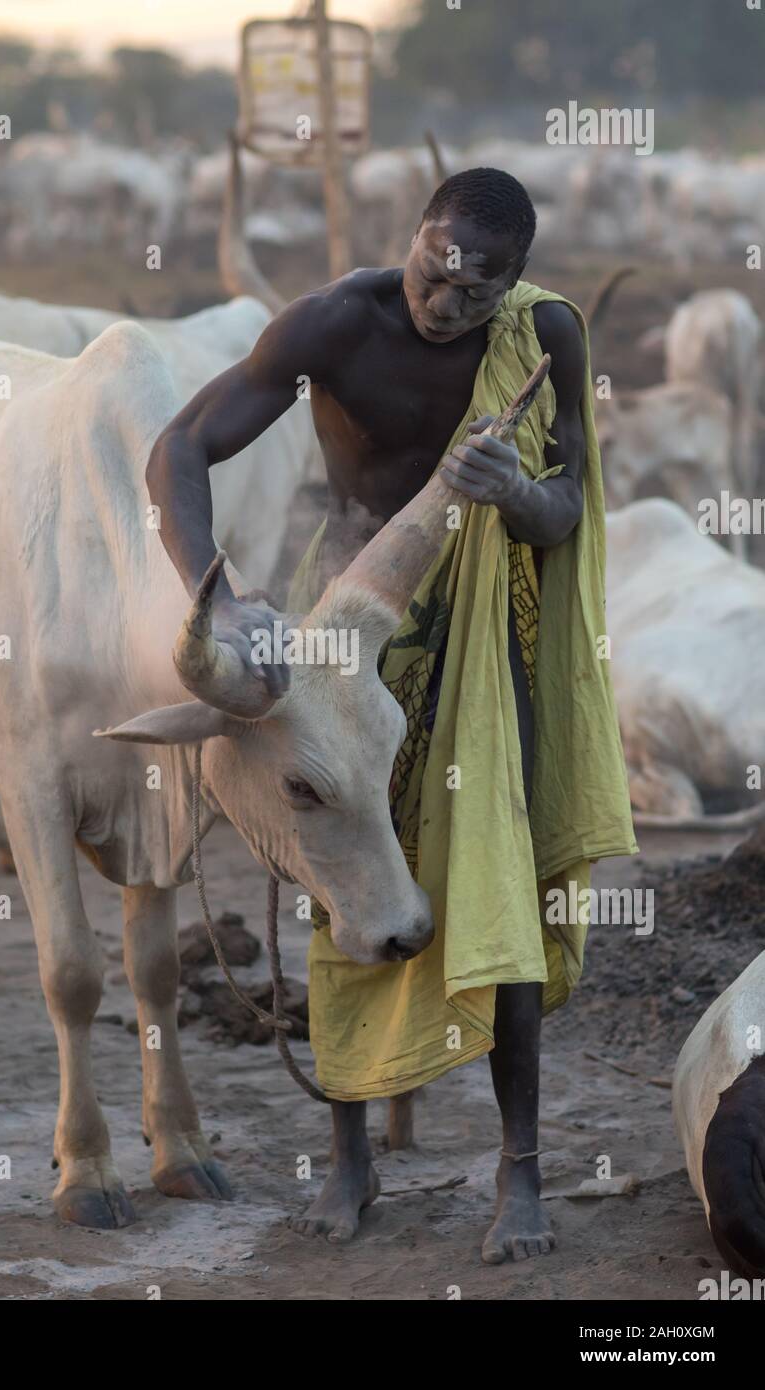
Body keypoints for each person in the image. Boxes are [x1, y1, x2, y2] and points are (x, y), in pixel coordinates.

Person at [147, 166, 636, 1261]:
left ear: (509, 283)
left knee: (492, 875)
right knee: (340, 877)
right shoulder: (331, 322)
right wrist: (212, 593)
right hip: (343, 628)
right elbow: (177, 447)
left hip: (478, 631)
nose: (444, 306)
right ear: (414, 239)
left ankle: (519, 1174)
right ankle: (351, 1160)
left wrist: (512, 489)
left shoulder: (544, 335)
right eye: (432, 274)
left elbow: (568, 512)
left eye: (475, 293)